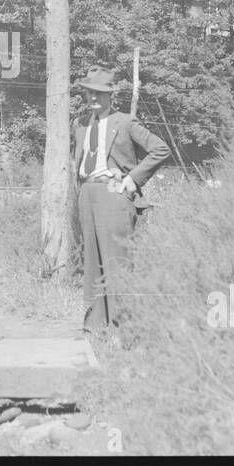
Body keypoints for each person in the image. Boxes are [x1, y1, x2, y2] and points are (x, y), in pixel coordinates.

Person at [71, 67, 170, 334]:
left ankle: (122, 327)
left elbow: (161, 149)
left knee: (117, 262)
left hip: (113, 194)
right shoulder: (80, 124)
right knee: (91, 262)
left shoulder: (125, 122)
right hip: (87, 194)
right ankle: (95, 326)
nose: (93, 97)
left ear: (110, 95)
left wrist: (133, 178)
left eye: (99, 93)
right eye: (89, 92)